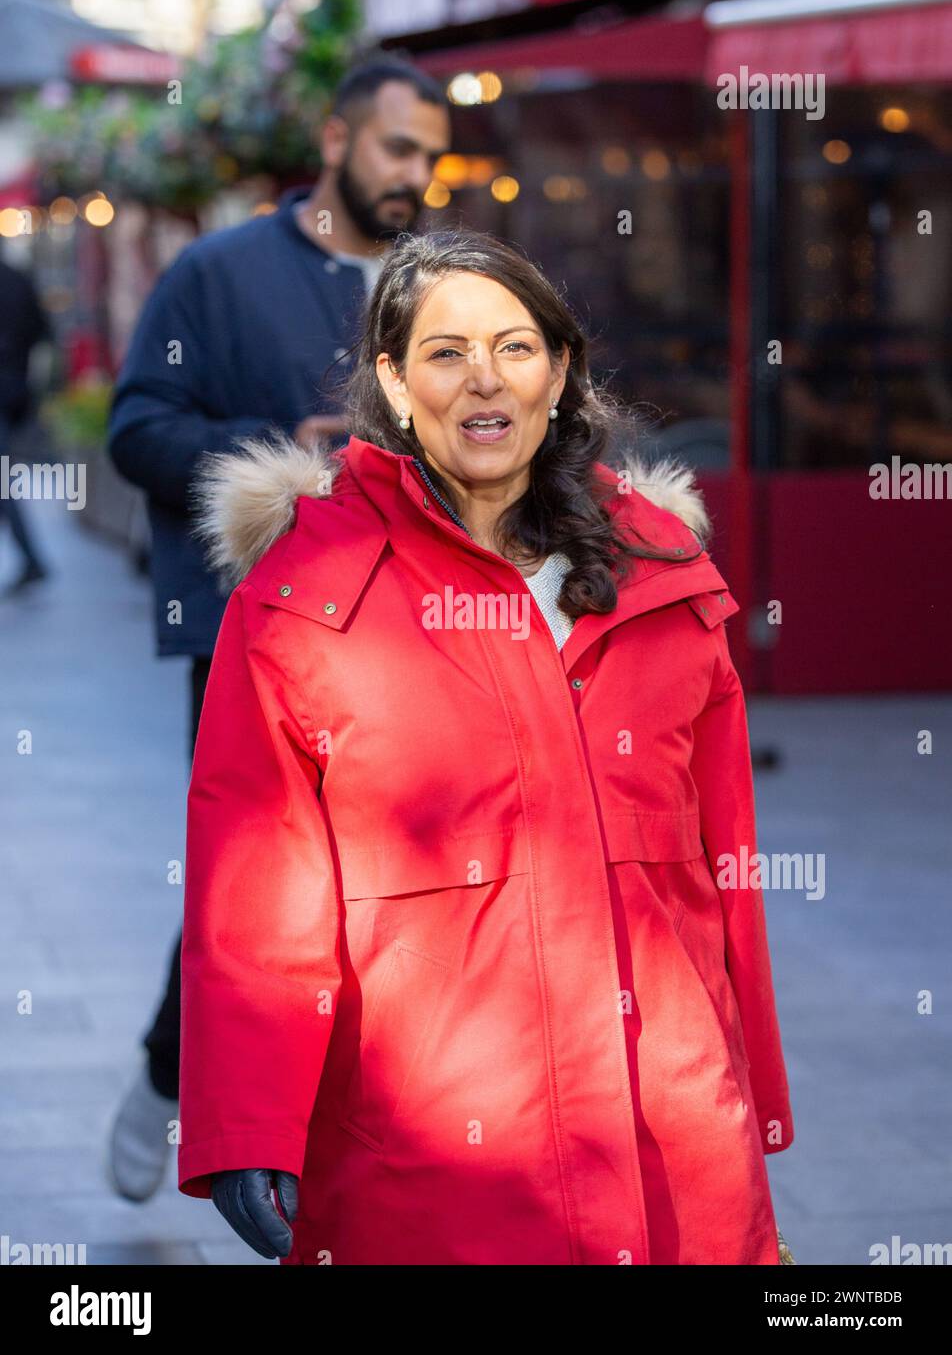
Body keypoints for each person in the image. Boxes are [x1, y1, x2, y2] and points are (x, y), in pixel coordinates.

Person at [176, 227, 795, 1265]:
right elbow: (258, 880)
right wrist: (248, 1121)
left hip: (667, 1119)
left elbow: (724, 866)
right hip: (436, 1138)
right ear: (393, 379)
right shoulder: (305, 592)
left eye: (514, 346)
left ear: (559, 372)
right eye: (445, 351)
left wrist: (749, 1084)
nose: (483, 379)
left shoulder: (665, 573)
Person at [104, 55, 451, 1202]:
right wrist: (275, 453)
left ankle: (373, 1128)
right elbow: (136, 428)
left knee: (388, 882)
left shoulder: (443, 278)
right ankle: (180, 1075)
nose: (417, 173)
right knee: (255, 883)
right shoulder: (215, 271)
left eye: (429, 154)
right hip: (257, 637)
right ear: (336, 138)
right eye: (399, 148)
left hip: (421, 641)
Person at [0, 256, 52, 594]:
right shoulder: (18, 279)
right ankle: (32, 558)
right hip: (14, 389)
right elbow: (41, 333)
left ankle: (33, 559)